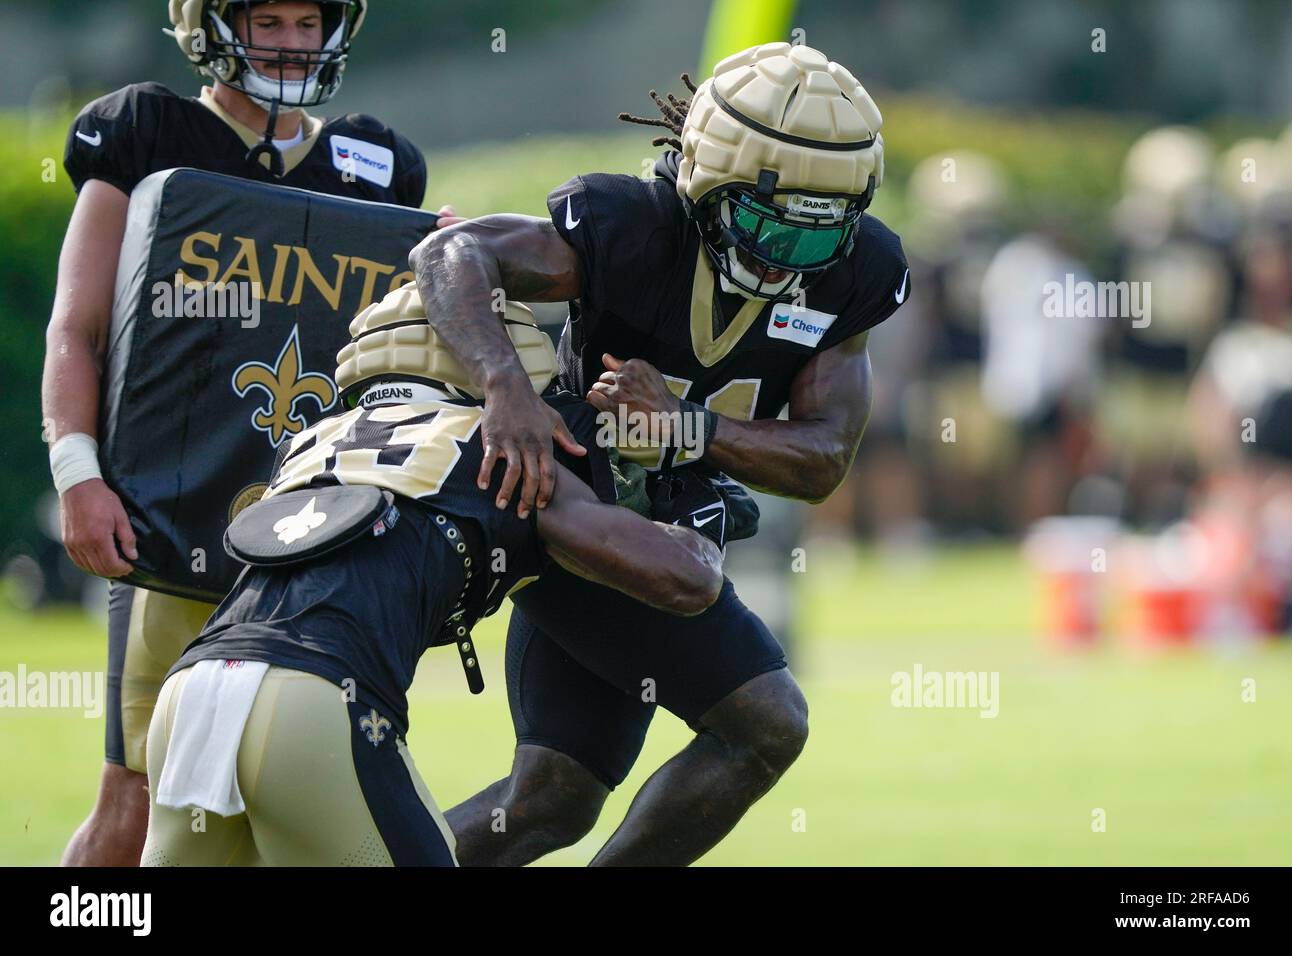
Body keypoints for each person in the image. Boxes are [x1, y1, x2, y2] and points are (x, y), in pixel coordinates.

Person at [409, 42, 910, 865]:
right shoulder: (634, 228)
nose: (783, 255)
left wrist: (687, 425)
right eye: (762, 219)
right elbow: (447, 253)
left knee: (549, 803)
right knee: (768, 724)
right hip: (582, 511)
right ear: (707, 186)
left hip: (664, 518)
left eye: (813, 237)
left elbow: (822, 461)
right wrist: (508, 388)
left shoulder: (858, 276)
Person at [140, 286, 735, 866]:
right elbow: (686, 581)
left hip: (192, 694)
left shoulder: (309, 443)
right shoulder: (499, 447)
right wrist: (698, 512)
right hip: (315, 700)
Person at [42, 0, 440, 866]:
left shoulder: (378, 162)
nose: (290, 42)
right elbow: (77, 328)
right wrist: (78, 473)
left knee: (279, 782)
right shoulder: (146, 129)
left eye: (308, 22)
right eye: (268, 19)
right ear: (208, 21)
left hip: (314, 533)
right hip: (171, 517)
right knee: (136, 799)